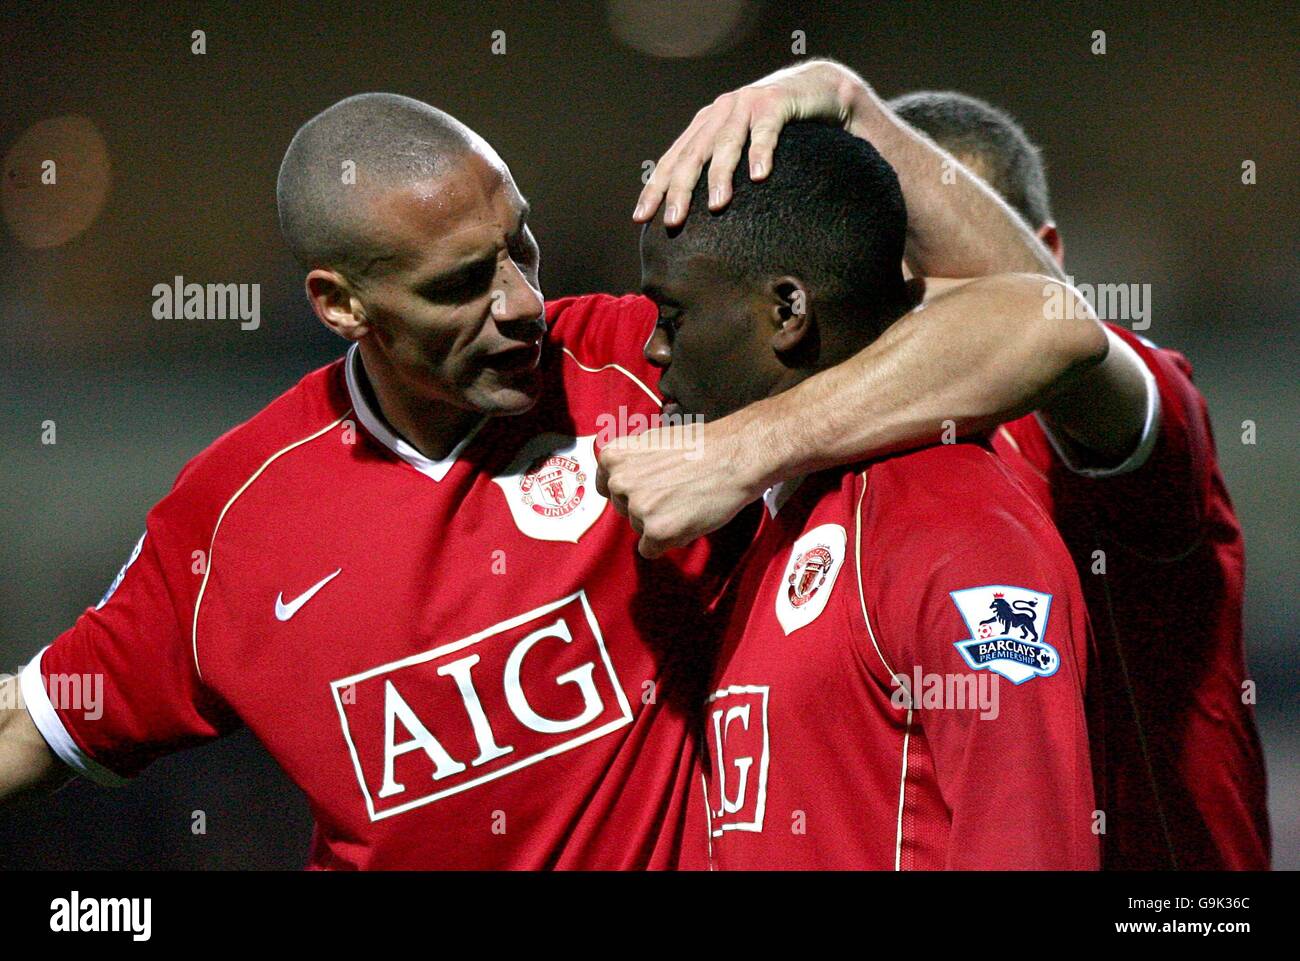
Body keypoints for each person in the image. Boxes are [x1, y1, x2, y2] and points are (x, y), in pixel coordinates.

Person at [0, 76, 1093, 868]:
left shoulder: (636, 361)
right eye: (463, 281)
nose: (522, 300)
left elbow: (1047, 325)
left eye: (518, 246)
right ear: (341, 304)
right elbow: (33, 726)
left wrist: (748, 445)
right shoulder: (234, 521)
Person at [604, 61, 1268, 870]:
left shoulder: (1123, 414)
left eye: (942, 270)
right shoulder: (832, 468)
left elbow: (1049, 321)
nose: (910, 303)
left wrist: (849, 100)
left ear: (1042, 251)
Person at [639, 121, 1097, 868]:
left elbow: (1030, 845)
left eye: (674, 315)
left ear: (787, 311)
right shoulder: (771, 525)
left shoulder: (958, 531)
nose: (653, 347)